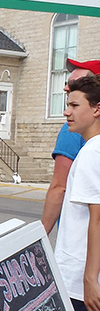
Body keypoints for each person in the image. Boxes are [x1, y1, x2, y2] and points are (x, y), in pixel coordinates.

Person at [54, 75, 100, 311]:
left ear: (96, 109)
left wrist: (88, 279)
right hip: (86, 278)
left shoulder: (90, 155)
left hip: (79, 281)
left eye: (74, 105)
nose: (67, 112)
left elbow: (97, 219)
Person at [41, 58, 100, 234]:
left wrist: (40, 236)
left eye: (76, 83)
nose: (67, 87)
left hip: (78, 242)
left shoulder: (74, 130)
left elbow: (59, 186)